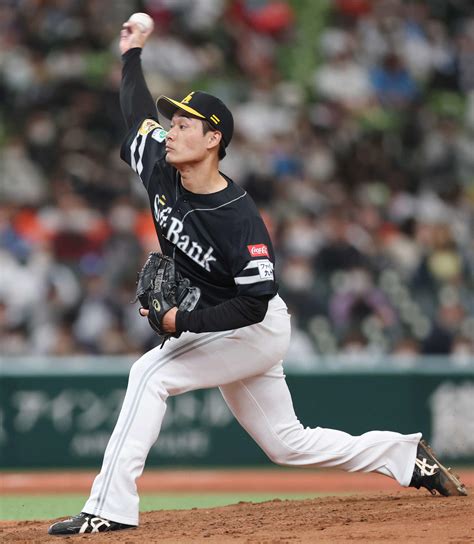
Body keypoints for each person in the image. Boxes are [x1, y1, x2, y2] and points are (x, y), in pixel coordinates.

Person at [48, 18, 467, 536]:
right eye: (171, 123)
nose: (170, 132)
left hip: (251, 325)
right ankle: (404, 456)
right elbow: (136, 112)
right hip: (229, 325)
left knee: (149, 375)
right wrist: (131, 54)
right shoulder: (160, 164)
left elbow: (254, 302)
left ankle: (109, 507)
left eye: (183, 125)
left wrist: (181, 321)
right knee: (286, 442)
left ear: (213, 139)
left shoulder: (238, 217)